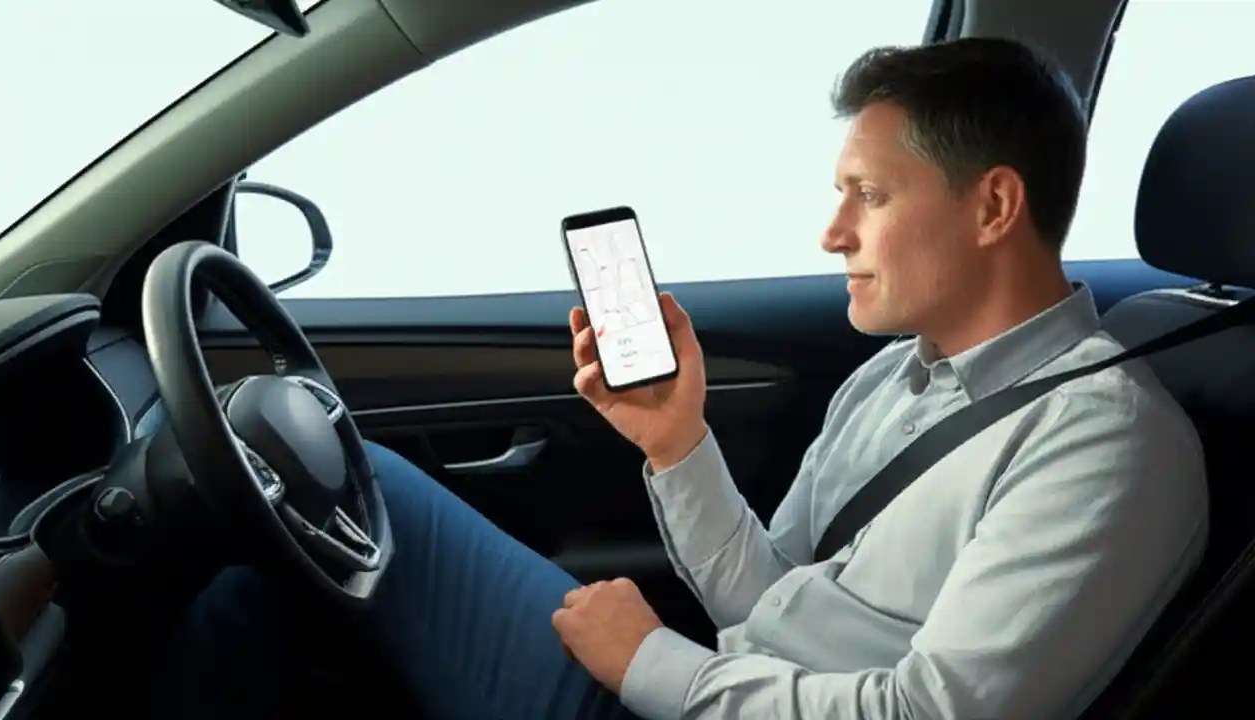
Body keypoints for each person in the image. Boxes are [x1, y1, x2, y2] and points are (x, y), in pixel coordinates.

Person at [155, 36, 1207, 719]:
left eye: (868, 196)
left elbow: (929, 716)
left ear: (989, 210)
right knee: (265, 590)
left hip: (689, 701)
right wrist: (675, 442)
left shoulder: (1105, 440)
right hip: (720, 685)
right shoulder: (897, 377)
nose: (832, 231)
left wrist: (650, 665)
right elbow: (769, 595)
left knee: (347, 488)